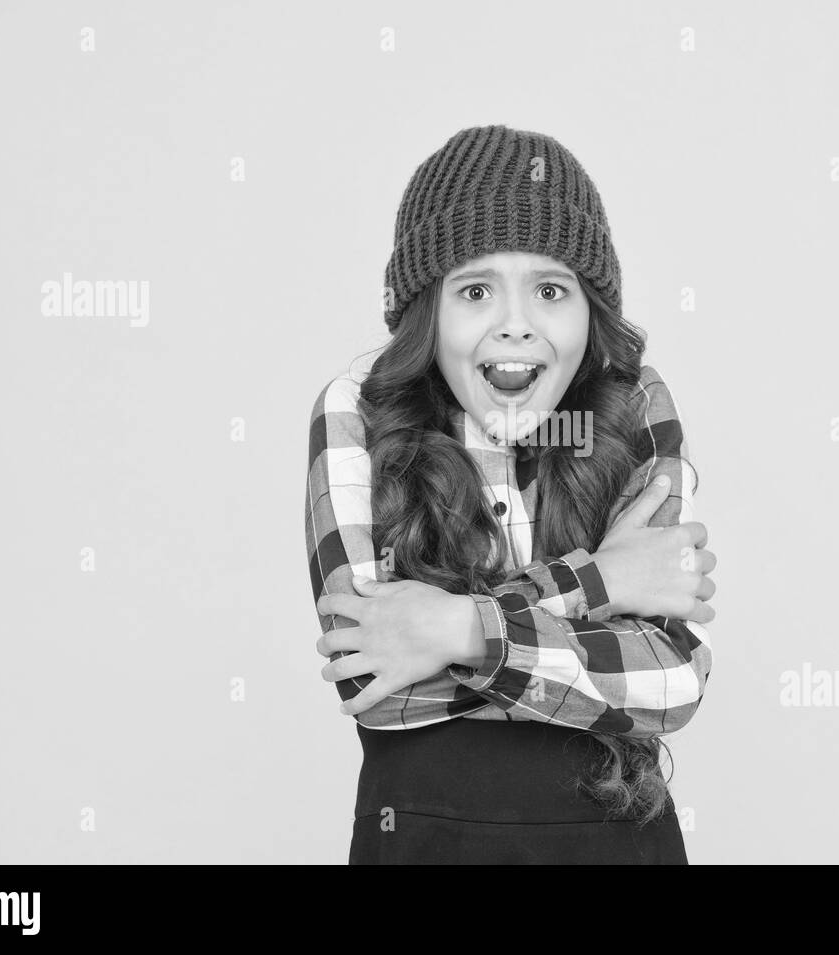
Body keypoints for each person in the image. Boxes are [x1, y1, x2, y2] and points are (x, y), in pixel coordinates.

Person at [305, 124, 717, 864]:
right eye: (474, 290)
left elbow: (669, 679)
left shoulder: (633, 406)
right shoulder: (357, 415)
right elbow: (375, 680)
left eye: (551, 290)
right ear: (425, 311)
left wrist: (455, 628)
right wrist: (602, 582)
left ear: (591, 311)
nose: (517, 326)